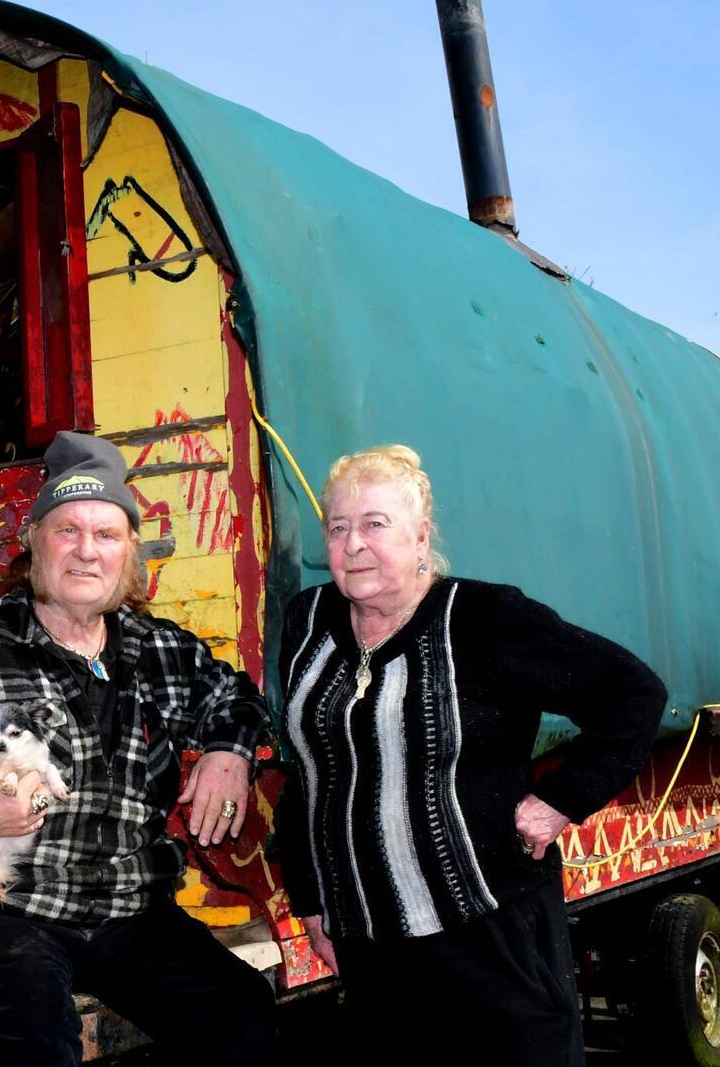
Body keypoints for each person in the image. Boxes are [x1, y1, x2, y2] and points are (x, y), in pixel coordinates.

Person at [0, 431, 277, 1066]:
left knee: (245, 1015)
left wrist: (230, 752)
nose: (87, 551)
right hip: (8, 912)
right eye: (68, 531)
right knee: (35, 1041)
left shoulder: (160, 650)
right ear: (33, 542)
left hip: (131, 912)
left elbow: (238, 698)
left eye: (106, 534)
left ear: (129, 553)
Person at [274, 444, 667, 1066]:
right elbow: (309, 775)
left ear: (420, 534)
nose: (353, 545)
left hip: (487, 928)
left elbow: (632, 693)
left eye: (375, 524)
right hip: (371, 946)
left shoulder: (486, 617)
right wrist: (313, 901)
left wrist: (561, 800)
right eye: (339, 527)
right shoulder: (308, 620)